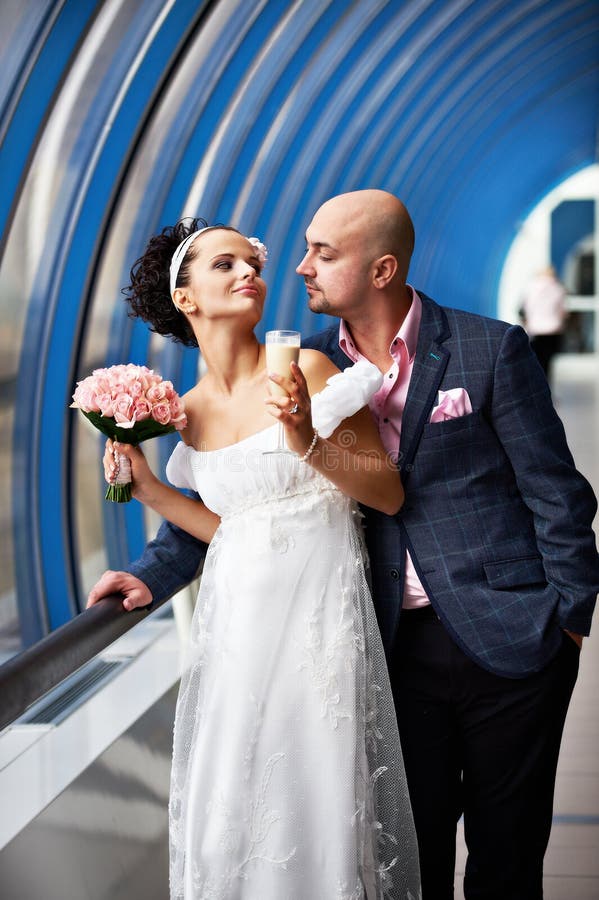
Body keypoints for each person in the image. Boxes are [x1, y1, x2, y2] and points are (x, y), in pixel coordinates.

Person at [89, 191, 599, 899]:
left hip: (508, 634)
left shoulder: (487, 348)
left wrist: (569, 622)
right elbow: (241, 514)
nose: (295, 268)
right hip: (387, 647)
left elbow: (557, 493)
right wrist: (147, 572)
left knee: (506, 856)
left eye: (322, 254)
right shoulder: (299, 363)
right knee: (402, 853)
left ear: (381, 268)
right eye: (297, 250)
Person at [94, 219, 421, 899]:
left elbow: (386, 493)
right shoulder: (185, 413)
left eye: (253, 263)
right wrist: (149, 488)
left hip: (317, 637)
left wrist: (303, 434)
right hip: (235, 632)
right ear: (186, 300)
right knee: (231, 808)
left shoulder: (308, 370)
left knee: (315, 805)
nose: (250, 273)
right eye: (225, 265)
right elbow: (228, 530)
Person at [521, 265, 568, 376]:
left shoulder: (531, 288)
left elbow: (525, 308)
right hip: (553, 330)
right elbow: (562, 311)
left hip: (535, 329)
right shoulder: (558, 289)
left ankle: (537, 386)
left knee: (536, 361)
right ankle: (547, 387)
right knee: (548, 362)